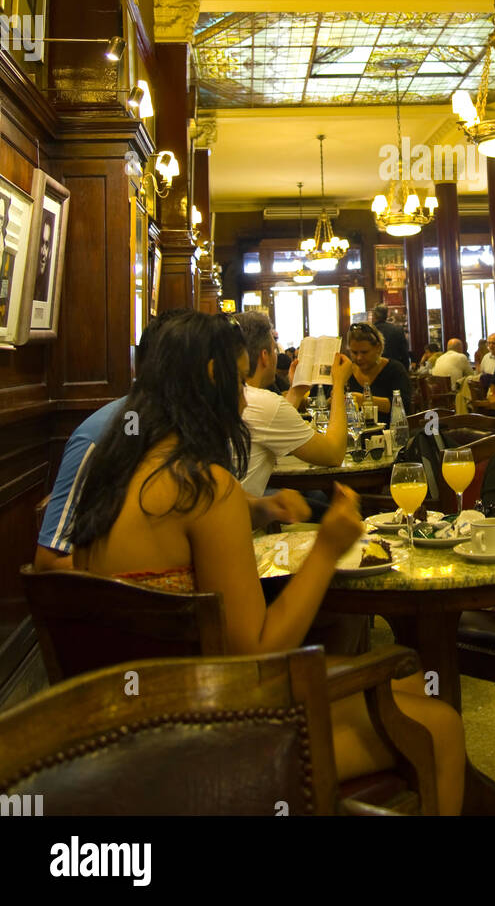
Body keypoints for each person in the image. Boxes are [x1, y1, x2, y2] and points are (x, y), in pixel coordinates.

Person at [68, 311, 464, 814]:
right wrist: (328, 546)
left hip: (124, 727)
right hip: (203, 748)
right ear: (214, 380)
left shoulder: (113, 472)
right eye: (237, 380)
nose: (243, 396)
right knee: (440, 725)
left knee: (405, 682)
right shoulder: (203, 486)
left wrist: (252, 510)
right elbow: (258, 650)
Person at [34, 310, 311, 572]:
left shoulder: (196, 429)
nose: (241, 396)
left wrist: (263, 507)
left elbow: (198, 512)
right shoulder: (107, 432)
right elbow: (48, 562)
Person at [238, 311, 350, 491]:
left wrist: (296, 392)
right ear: (264, 357)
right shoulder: (262, 402)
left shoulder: (236, 396)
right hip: (242, 516)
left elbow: (269, 423)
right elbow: (334, 453)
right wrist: (338, 385)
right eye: (275, 349)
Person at [346, 322, 413, 417]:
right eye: (354, 352)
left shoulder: (394, 369)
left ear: (378, 347)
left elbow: (404, 405)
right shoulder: (347, 371)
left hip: (388, 430)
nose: (359, 358)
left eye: (364, 352)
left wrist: (365, 400)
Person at [371, 304, 411, 370]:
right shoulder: (397, 330)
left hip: (374, 371)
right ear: (386, 316)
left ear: (374, 316)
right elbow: (404, 354)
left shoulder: (369, 331)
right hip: (394, 370)